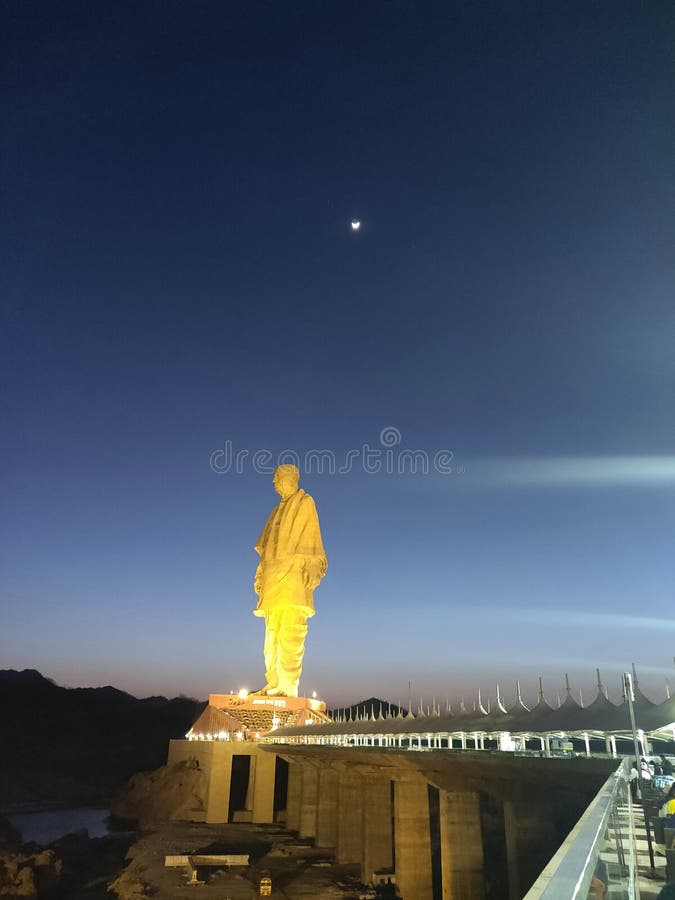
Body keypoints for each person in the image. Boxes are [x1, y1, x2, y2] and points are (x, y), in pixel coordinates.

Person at [252, 465, 327, 697]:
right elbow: (266, 550)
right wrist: (260, 573)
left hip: (293, 577)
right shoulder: (275, 511)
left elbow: (313, 544)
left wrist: (312, 568)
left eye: (278, 478)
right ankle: (273, 681)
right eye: (274, 478)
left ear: (291, 479)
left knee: (291, 631)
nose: (274, 482)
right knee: (271, 634)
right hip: (274, 578)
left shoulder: (305, 503)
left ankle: (287, 686)